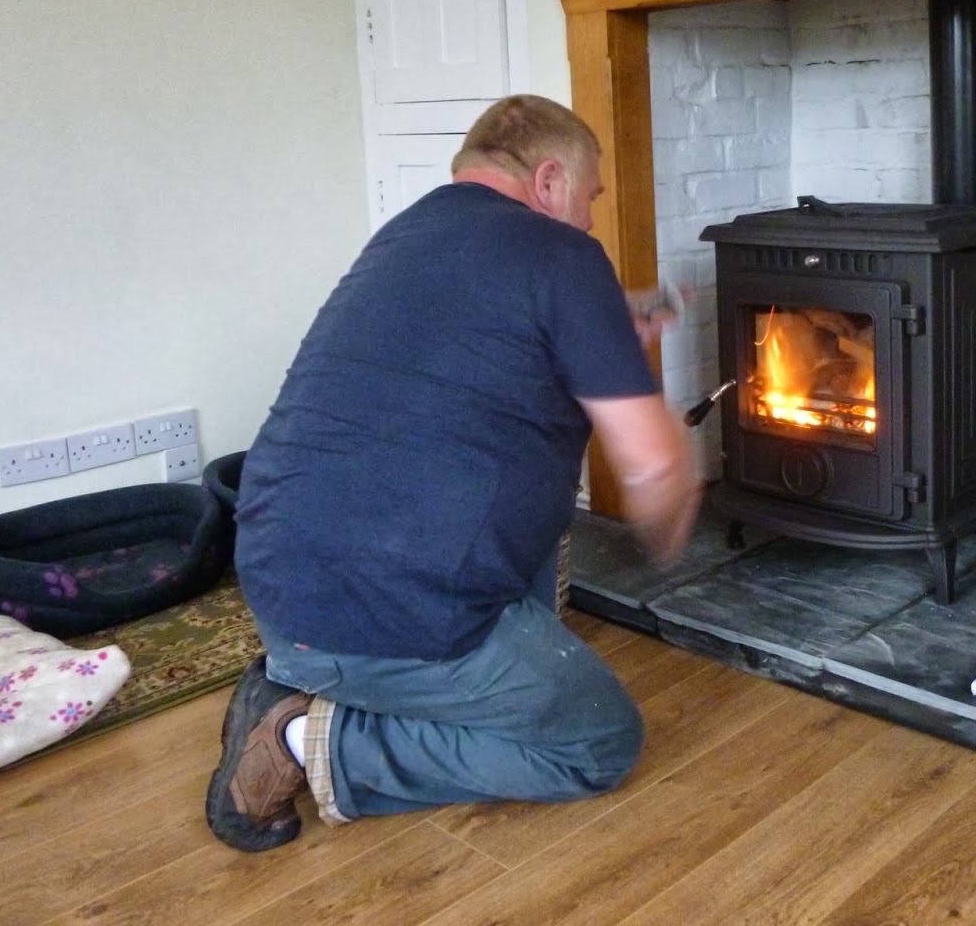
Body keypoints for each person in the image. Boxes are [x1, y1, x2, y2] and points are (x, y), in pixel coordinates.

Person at [205, 94, 701, 852]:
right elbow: (655, 462)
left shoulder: (405, 237)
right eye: (591, 196)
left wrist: (607, 325)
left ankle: (321, 678)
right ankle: (312, 739)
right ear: (548, 180)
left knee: (516, 477)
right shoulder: (562, 254)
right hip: (382, 609)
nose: (592, 219)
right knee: (599, 742)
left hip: (282, 577)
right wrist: (673, 517)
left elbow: (484, 355)